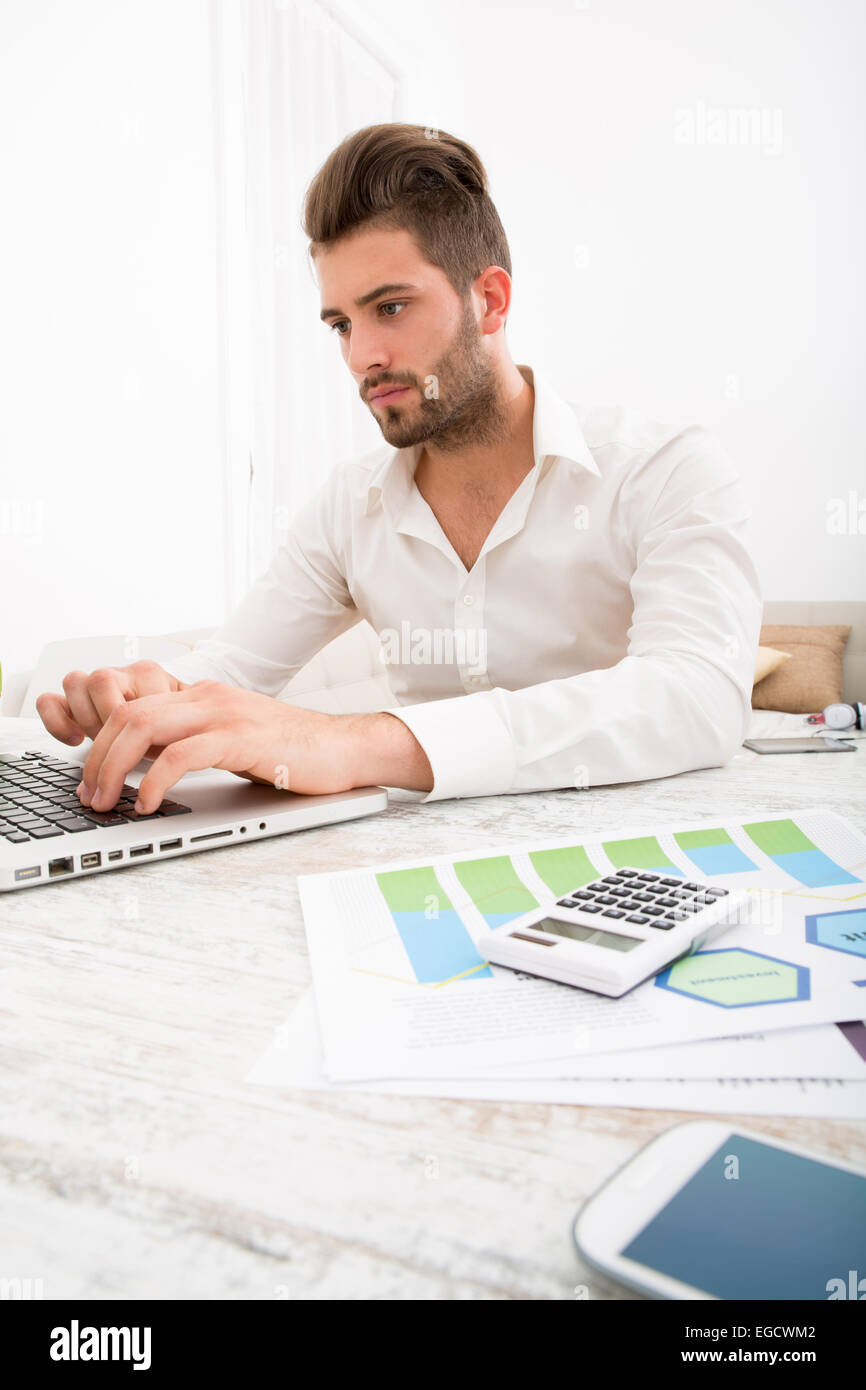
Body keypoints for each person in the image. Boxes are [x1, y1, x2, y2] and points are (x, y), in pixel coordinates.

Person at [36, 123, 762, 815]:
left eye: (391, 307)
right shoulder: (349, 508)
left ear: (491, 301)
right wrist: (149, 699)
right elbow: (233, 671)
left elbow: (698, 694)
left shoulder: (665, 470)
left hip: (647, 874)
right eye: (342, 325)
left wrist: (355, 741)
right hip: (418, 883)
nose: (360, 358)